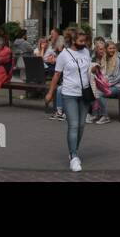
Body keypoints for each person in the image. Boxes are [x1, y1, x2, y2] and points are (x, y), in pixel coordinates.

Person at [45, 29, 93, 172]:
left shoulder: (86, 52)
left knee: (81, 125)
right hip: (69, 93)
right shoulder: (63, 55)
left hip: (85, 93)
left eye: (85, 41)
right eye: (80, 41)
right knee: (73, 125)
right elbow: (56, 75)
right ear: (72, 40)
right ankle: (73, 156)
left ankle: (74, 150)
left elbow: (88, 70)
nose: (83, 43)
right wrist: (50, 93)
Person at [91, 40, 120, 124]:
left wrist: (105, 84)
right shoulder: (106, 59)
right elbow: (104, 74)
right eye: (110, 48)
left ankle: (105, 116)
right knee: (94, 90)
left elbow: (117, 77)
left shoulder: (118, 59)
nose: (112, 50)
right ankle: (96, 114)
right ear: (106, 49)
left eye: (113, 48)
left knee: (99, 93)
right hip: (109, 85)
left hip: (118, 86)